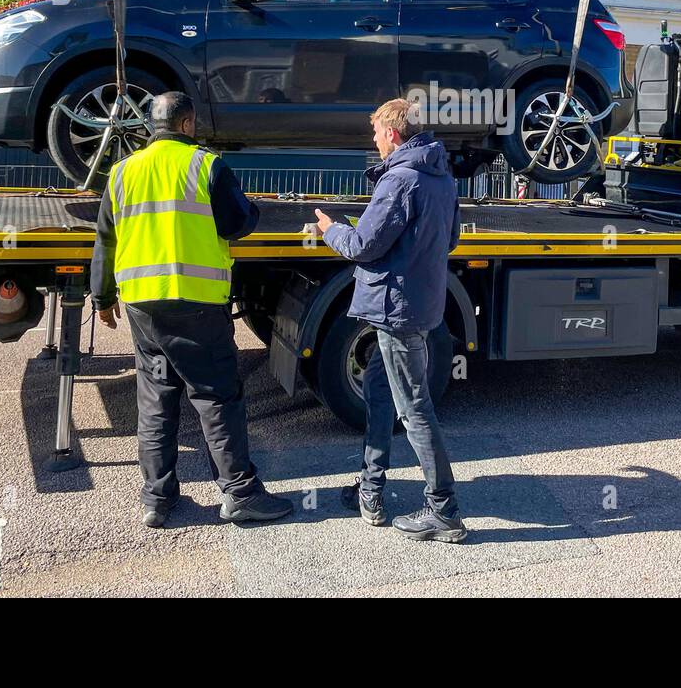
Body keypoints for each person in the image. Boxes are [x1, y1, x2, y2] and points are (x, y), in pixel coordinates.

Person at [92, 91, 292, 529]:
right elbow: (239, 223)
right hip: (196, 303)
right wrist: (254, 208)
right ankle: (240, 494)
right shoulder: (205, 165)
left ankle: (157, 500)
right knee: (216, 397)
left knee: (156, 400)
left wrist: (102, 298)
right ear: (187, 124)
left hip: (143, 306)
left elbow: (105, 241)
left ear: (151, 126)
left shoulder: (122, 172)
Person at [314, 97, 465, 542]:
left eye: (376, 132)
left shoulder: (399, 180)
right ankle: (371, 488)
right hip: (418, 306)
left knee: (414, 409)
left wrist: (331, 230)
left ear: (393, 134)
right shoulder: (441, 178)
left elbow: (363, 244)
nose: (374, 140)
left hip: (394, 310)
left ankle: (444, 510)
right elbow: (450, 239)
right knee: (380, 393)